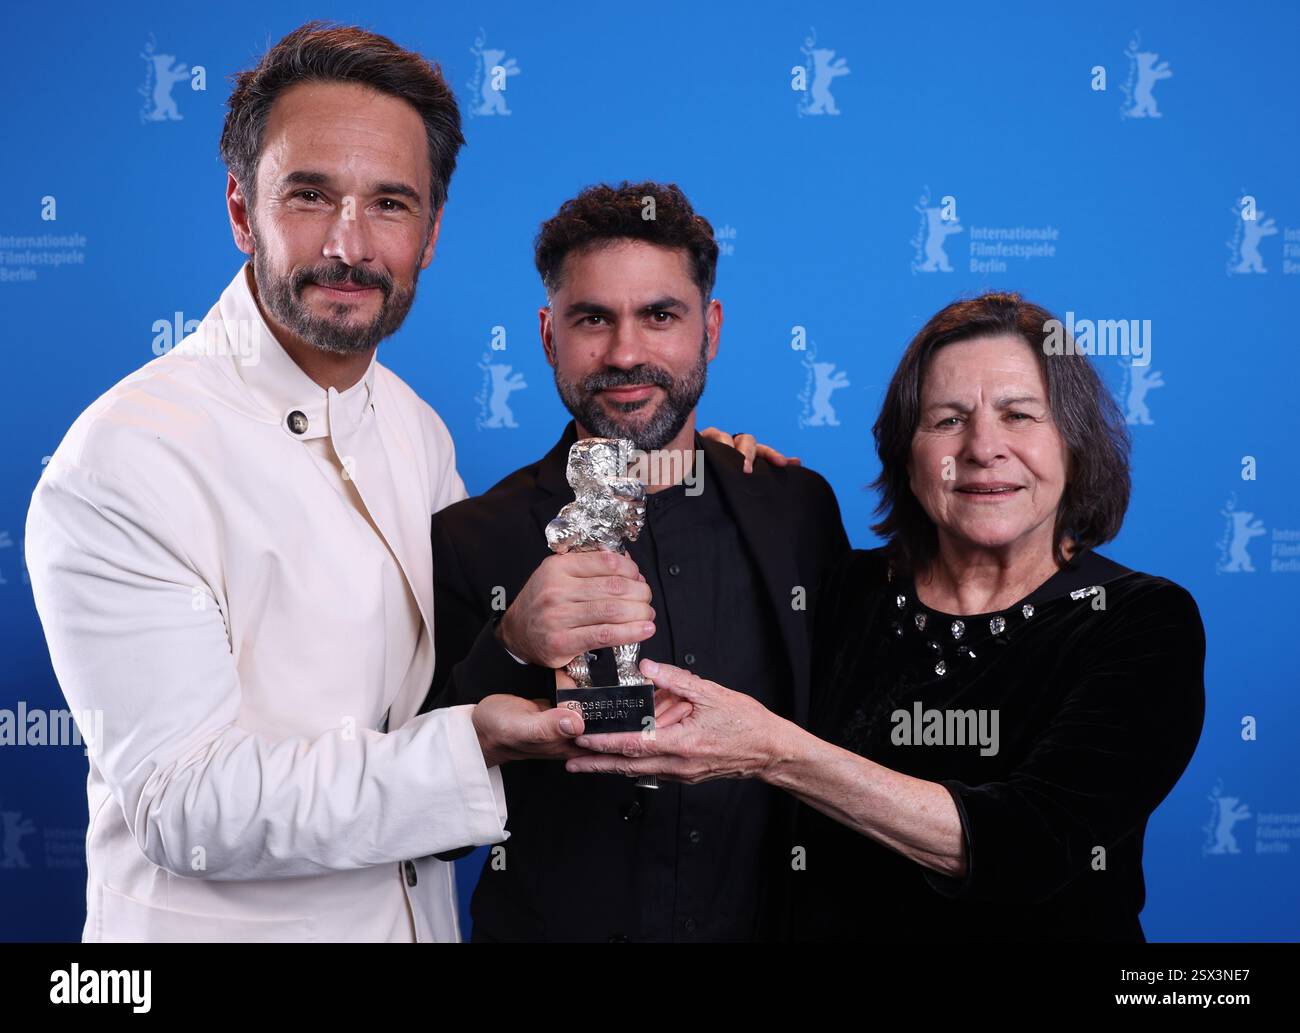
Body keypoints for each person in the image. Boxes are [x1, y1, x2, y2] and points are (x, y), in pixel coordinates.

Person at [24, 22, 586, 944]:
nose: (349, 244)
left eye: (390, 203)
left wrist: (681, 456)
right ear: (242, 210)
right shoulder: (125, 458)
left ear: (432, 233)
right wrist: (472, 742)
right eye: (311, 195)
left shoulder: (415, 426)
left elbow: (454, 661)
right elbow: (185, 804)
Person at [569, 292, 1206, 942]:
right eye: (948, 420)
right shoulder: (843, 588)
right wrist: (703, 474)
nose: (983, 448)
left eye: (1019, 415)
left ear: (1073, 441)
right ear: (907, 452)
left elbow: (1028, 843)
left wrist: (776, 752)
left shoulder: (1143, 622)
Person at [424, 182, 850, 941]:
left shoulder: (797, 510)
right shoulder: (468, 539)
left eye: (660, 316)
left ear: (709, 330)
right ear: (549, 336)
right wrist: (509, 645)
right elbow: (426, 821)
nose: (626, 354)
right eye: (593, 319)